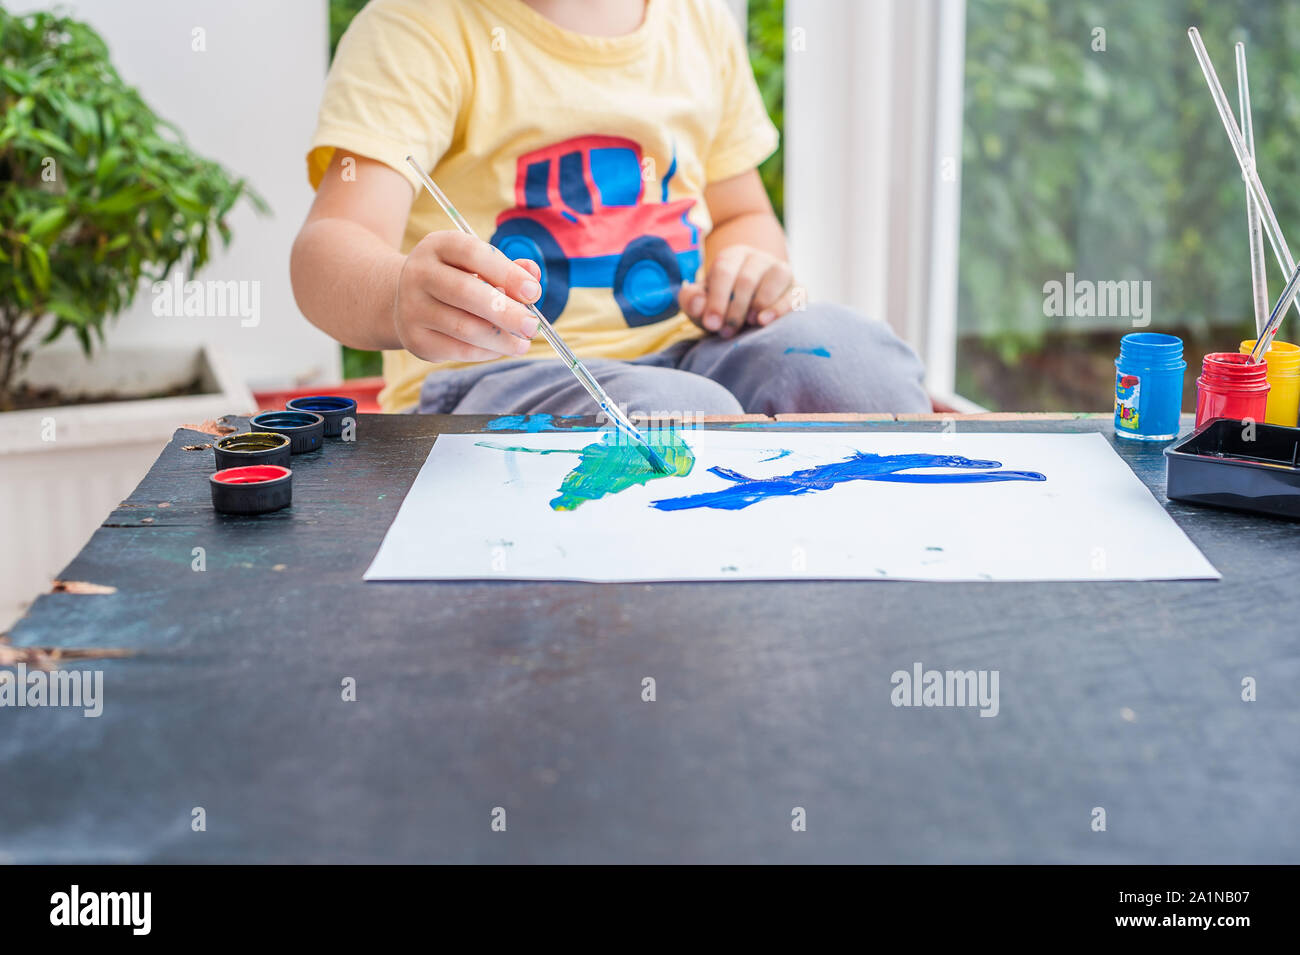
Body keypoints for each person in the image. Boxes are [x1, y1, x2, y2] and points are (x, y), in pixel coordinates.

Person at [291, 0, 930, 418]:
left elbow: (742, 215)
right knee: (676, 418)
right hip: (499, 384)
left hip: (695, 348)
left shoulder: (698, 22)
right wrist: (398, 294)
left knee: (856, 364)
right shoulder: (417, 27)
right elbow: (333, 243)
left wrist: (748, 268)